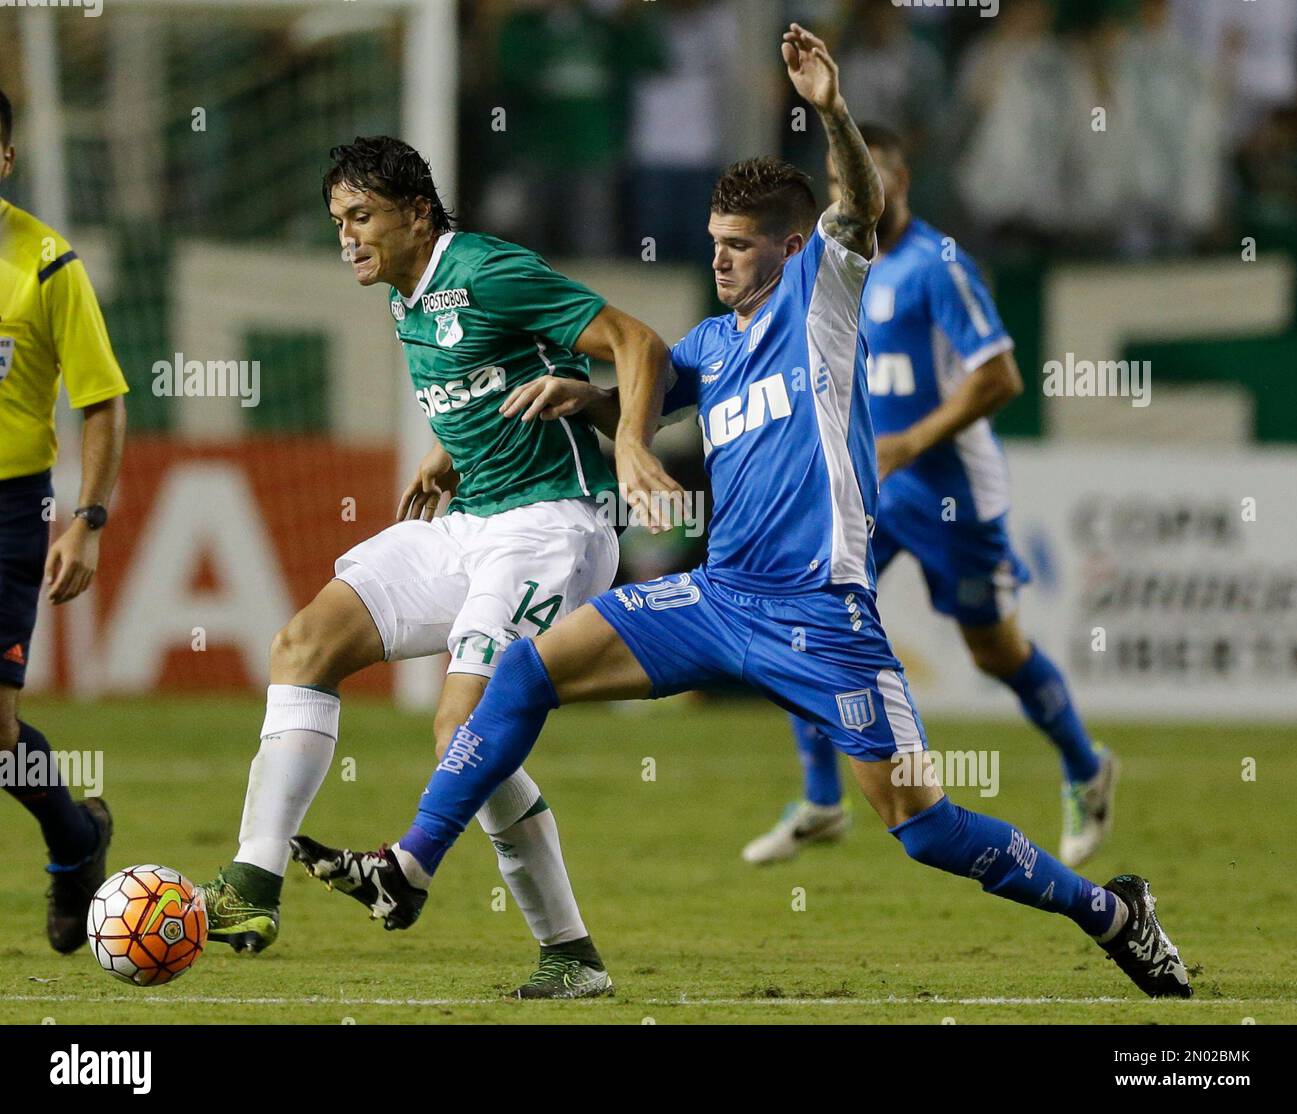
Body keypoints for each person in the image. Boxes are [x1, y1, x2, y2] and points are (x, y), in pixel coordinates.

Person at [297, 27, 1191, 1000]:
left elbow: (860, 201)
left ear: (790, 246)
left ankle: (1111, 912)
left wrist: (831, 110)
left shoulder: (824, 294)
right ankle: (411, 865)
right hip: (720, 596)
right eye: (712, 241)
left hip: (821, 613)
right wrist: (585, 401)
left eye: (736, 245)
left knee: (921, 825)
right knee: (520, 674)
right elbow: (647, 383)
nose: (717, 258)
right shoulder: (715, 344)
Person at [198, 134, 678, 999]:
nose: (347, 236)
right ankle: (251, 885)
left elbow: (638, 342)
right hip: (471, 521)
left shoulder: (488, 270)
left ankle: (568, 955)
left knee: (462, 729)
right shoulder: (405, 292)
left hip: (549, 527)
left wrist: (633, 443)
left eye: (362, 217)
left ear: (417, 214)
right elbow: (487, 373)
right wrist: (447, 451)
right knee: (305, 644)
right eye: (338, 220)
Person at [742, 123, 1116, 868]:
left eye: (875, 178)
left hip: (949, 490)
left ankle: (1085, 764)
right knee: (804, 618)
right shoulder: (822, 265)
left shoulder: (936, 265)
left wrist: (911, 443)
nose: (863, 192)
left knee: (994, 649)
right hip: (866, 488)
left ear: (900, 181)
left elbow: (1000, 376)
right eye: (849, 180)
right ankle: (822, 800)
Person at [0, 89, 125, 952]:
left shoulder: (46, 266)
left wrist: (87, 520)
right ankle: (76, 842)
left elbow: (104, 402)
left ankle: (76, 844)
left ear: (5, 159)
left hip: (9, 506)